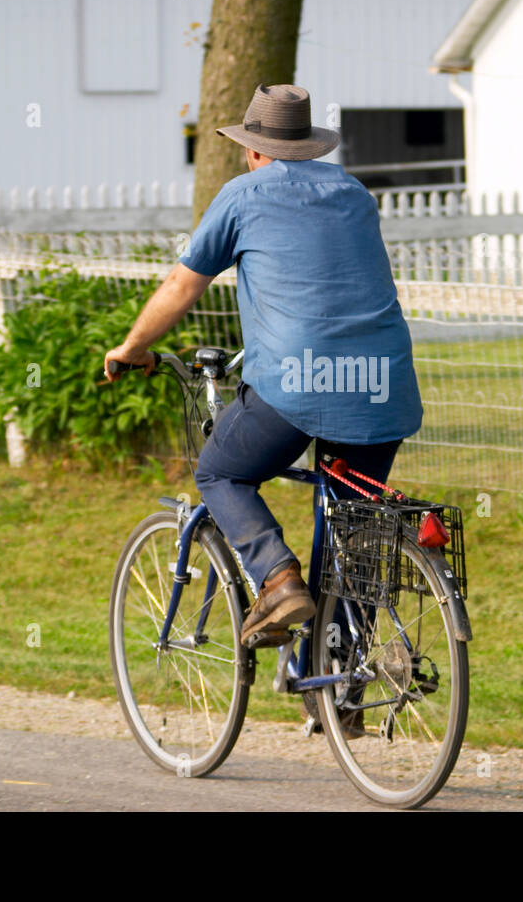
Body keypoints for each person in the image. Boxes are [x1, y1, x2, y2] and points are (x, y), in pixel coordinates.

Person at [104, 82, 422, 657]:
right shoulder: (353, 194)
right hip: (383, 382)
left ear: (253, 150)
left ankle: (277, 580)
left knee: (221, 473)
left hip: (299, 380)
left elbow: (183, 285)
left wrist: (133, 347)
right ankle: (342, 694)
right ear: (310, 146)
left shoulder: (243, 194)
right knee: (354, 526)